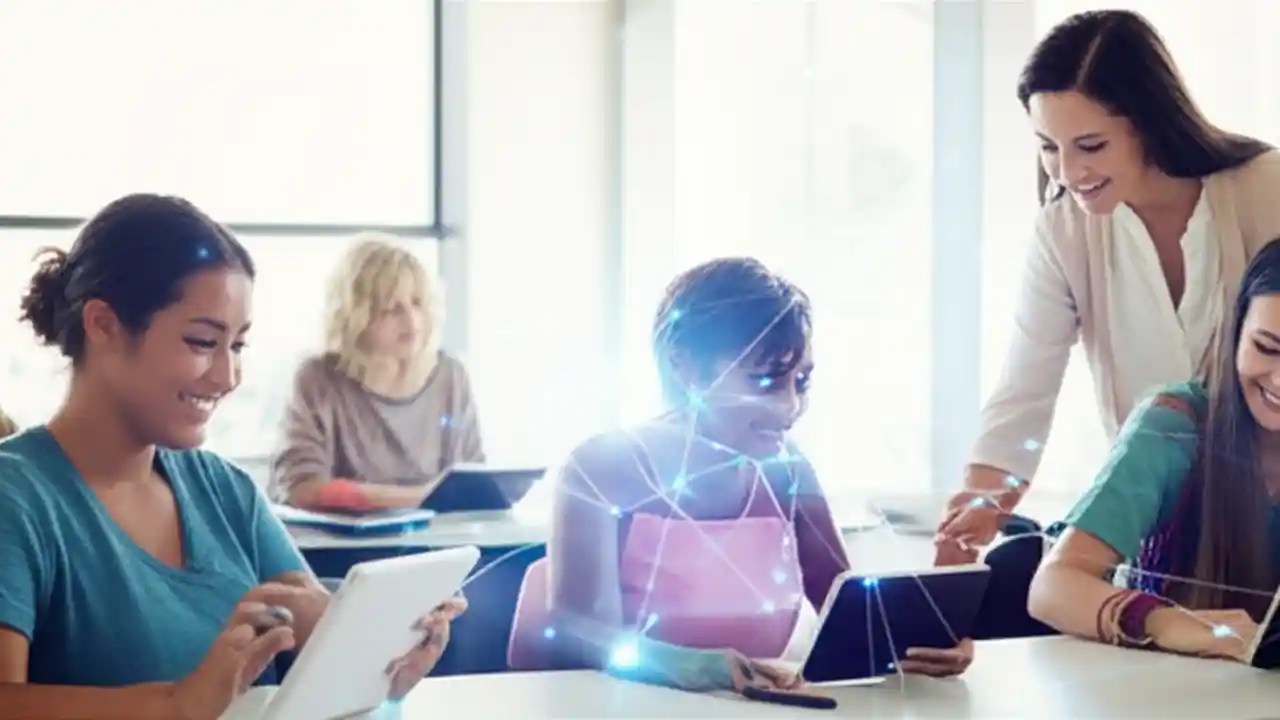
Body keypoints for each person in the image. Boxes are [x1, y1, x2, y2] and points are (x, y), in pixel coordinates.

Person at [0, 195, 463, 720]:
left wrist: (387, 662)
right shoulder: (16, 496)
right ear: (103, 325)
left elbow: (319, 632)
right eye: (202, 342)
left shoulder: (224, 490)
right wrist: (177, 704)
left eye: (237, 347)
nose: (226, 377)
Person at [508, 257, 973, 693]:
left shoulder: (789, 471)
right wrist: (693, 667)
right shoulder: (601, 468)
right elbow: (581, 635)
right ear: (684, 365)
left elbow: (852, 616)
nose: (791, 407)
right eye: (766, 380)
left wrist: (927, 639)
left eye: (802, 382)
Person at [937, 9, 1280, 565]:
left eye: (1090, 146)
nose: (1067, 172)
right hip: (1155, 526)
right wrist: (978, 508)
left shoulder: (1267, 189)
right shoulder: (1065, 228)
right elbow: (1026, 385)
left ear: (1147, 123)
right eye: (1048, 146)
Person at [1027, 237, 1280, 659]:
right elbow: (1052, 586)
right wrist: (1166, 623)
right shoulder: (1172, 428)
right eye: (1267, 349)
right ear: (1236, 333)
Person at [270, 233, 483, 512]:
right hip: (346, 550)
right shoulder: (317, 379)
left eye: (417, 303)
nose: (412, 320)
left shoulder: (450, 375)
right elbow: (300, 489)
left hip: (443, 544)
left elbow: (476, 482)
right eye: (392, 309)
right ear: (357, 314)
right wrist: (423, 498)